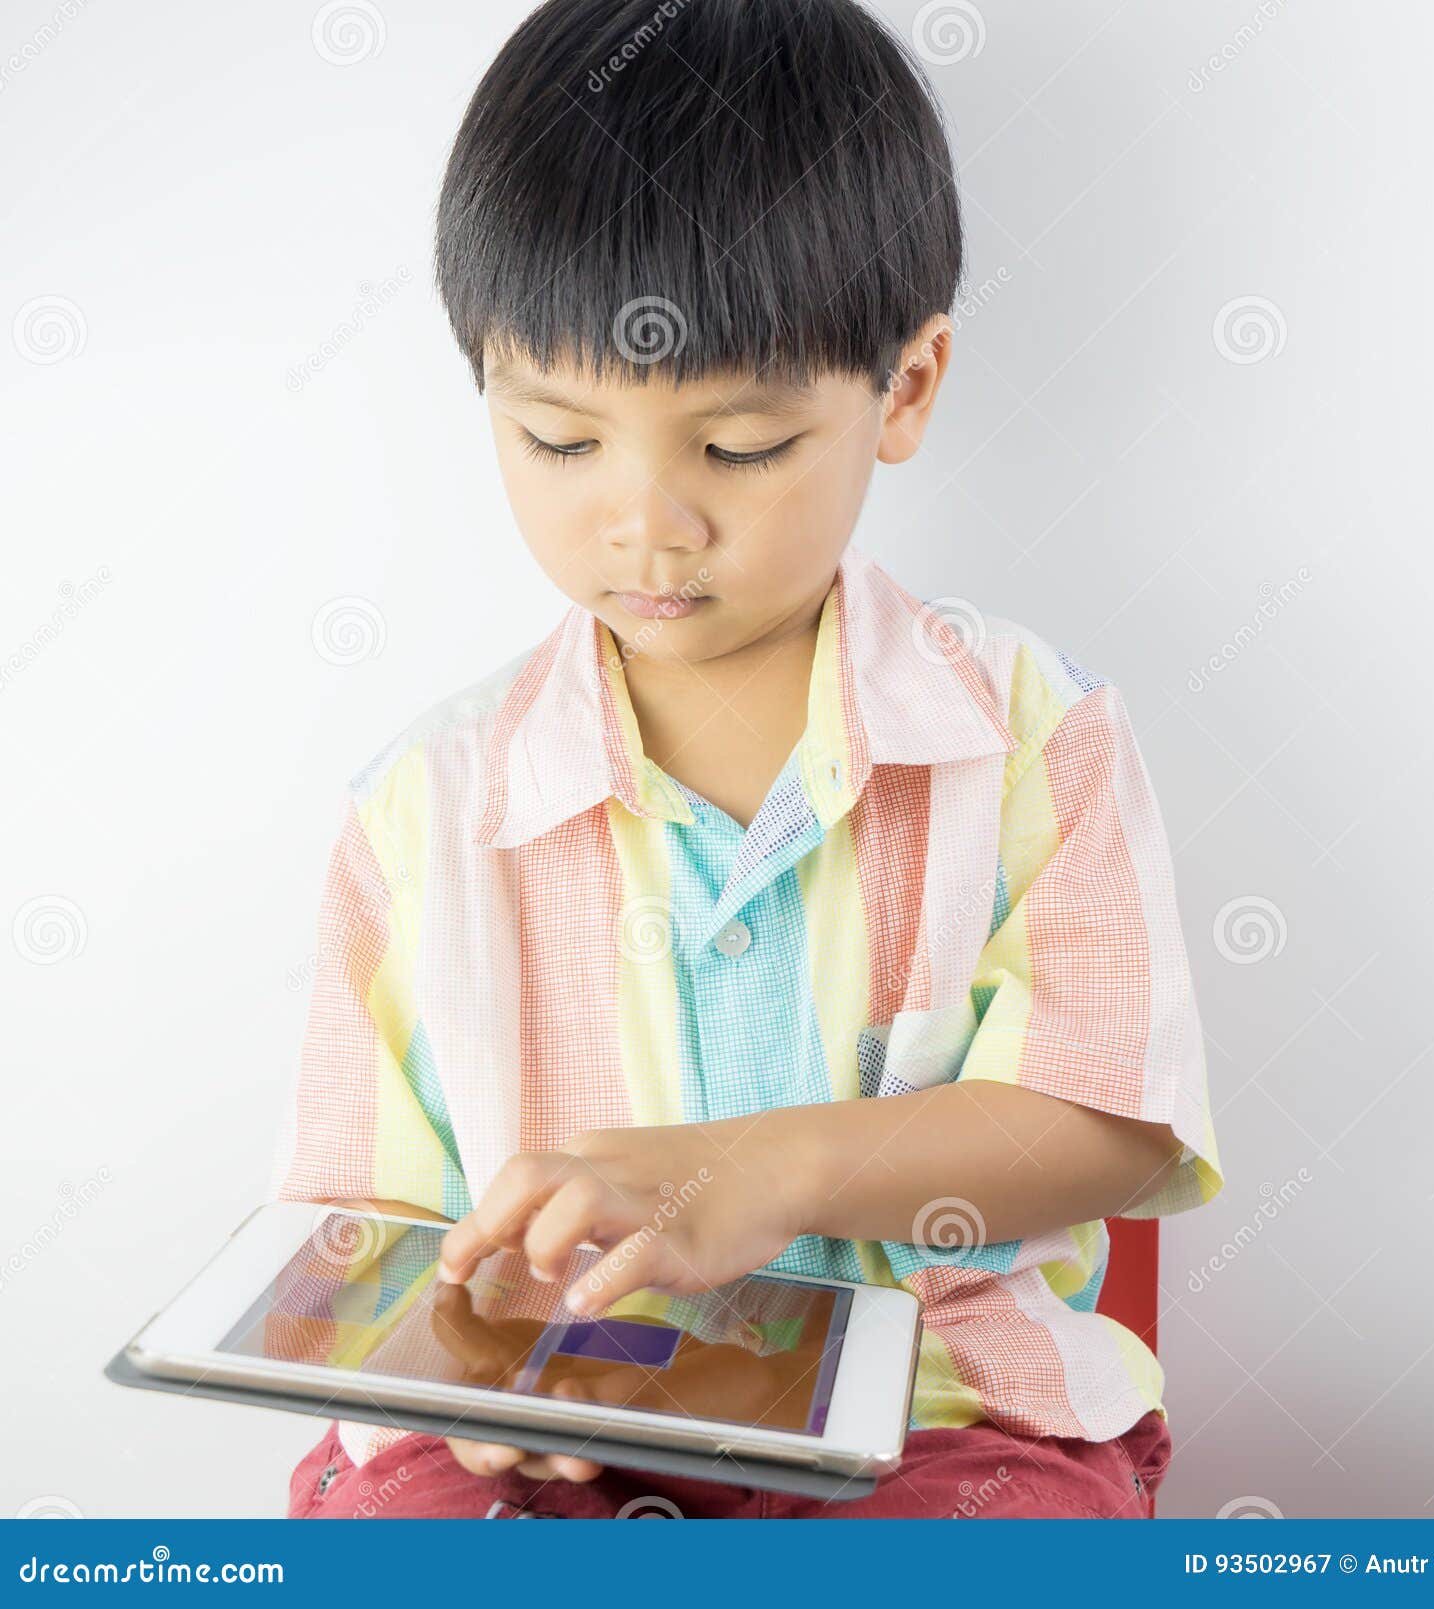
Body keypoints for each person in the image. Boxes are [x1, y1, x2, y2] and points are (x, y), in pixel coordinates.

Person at [269, 0, 1225, 1520]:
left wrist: (767, 1171)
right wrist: (455, 1355)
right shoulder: (421, 809)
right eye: (561, 441)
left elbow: (1108, 1117)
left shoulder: (1034, 726)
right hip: (545, 1422)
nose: (645, 522)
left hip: (937, 1421)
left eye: (738, 447)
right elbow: (356, 1226)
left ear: (904, 390)